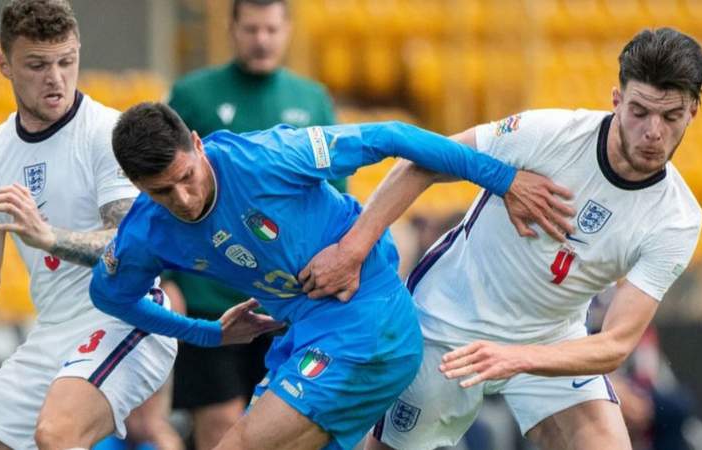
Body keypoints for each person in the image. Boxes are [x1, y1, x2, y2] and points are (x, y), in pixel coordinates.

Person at [300, 27, 702, 450]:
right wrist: (353, 249)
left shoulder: (676, 218)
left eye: (671, 116)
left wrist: (517, 357)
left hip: (551, 338)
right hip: (449, 321)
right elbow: (421, 162)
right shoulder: (550, 135)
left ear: (692, 111)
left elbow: (616, 343)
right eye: (640, 111)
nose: (653, 131)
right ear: (617, 100)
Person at [88, 101, 574, 450]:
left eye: (186, 177)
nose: (184, 199)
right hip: (303, 336)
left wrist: (504, 180)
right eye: (162, 191)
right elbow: (111, 296)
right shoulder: (146, 233)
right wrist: (209, 334)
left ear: (197, 145)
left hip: (367, 320)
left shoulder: (265, 158)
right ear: (136, 187)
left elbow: (390, 137)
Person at [0, 2, 263, 449]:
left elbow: (127, 246)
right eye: (38, 65)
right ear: (4, 65)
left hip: (127, 317)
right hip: (53, 332)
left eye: (67, 61)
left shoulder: (108, 133)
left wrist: (49, 237)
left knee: (58, 433)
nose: (56, 78)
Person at [165, 1, 342, 446]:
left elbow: (338, 197)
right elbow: (163, 188)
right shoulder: (192, 96)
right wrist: (168, 277)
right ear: (231, 30)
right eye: (251, 29)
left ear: (287, 31)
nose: (261, 39)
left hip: (287, 299)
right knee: (220, 427)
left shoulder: (312, 100)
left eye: (270, 29)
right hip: (211, 296)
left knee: (284, 429)